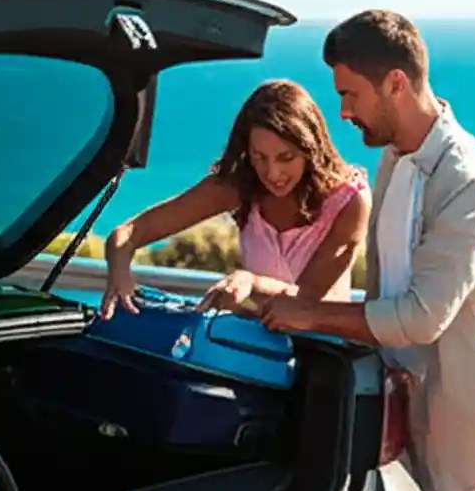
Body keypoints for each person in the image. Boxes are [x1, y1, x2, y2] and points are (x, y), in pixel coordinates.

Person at [258, 10, 475, 491]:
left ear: (397, 84)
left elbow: (424, 315)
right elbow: (389, 292)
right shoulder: (396, 162)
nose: (343, 112)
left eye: (350, 95)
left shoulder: (468, 180)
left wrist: (309, 313)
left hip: (464, 434)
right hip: (406, 424)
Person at [100, 79, 370, 320]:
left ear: (310, 149)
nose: (272, 173)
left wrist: (250, 283)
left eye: (286, 158)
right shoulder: (239, 185)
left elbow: (305, 301)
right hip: (254, 349)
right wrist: (120, 275)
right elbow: (128, 233)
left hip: (324, 357)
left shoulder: (349, 201)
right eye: (259, 157)